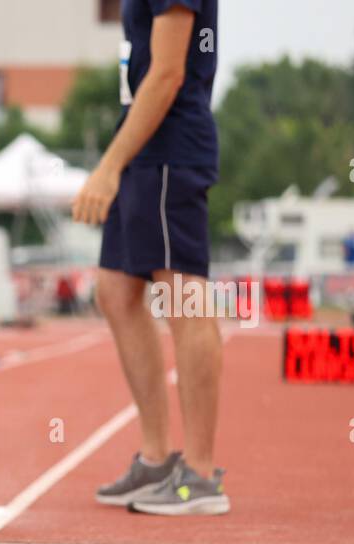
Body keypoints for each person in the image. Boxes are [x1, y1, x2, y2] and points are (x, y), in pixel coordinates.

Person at [73, 0, 228, 516]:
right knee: (115, 291)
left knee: (183, 295)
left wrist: (109, 165)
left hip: (169, 148)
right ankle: (159, 458)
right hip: (142, 144)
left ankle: (202, 475)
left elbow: (167, 72)